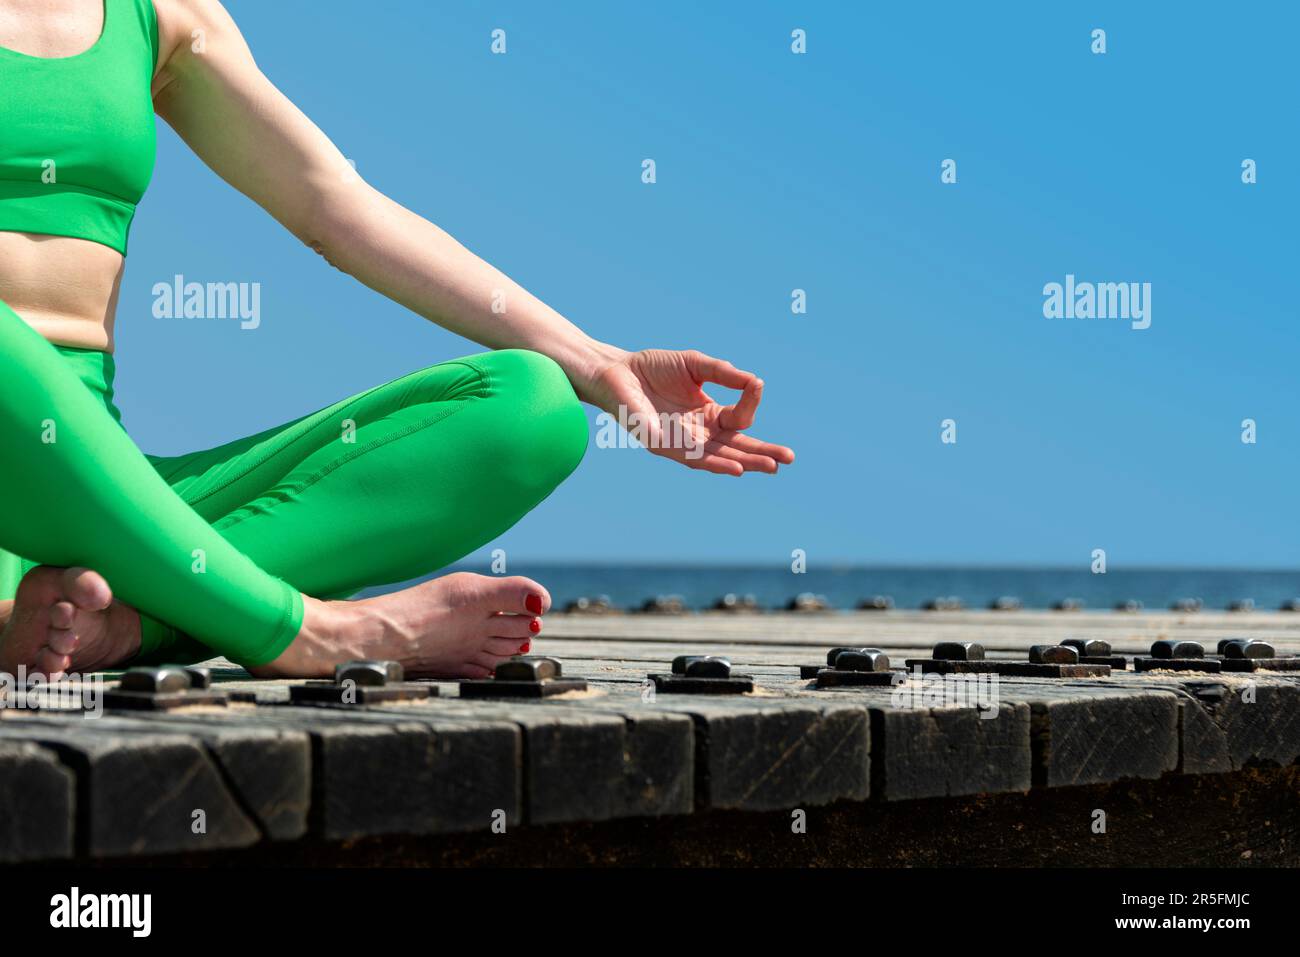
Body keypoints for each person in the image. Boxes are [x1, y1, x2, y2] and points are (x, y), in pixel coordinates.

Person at [0, 0, 793, 678]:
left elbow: (335, 206)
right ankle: (313, 630)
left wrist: (595, 362)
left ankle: (125, 623)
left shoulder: (157, 13)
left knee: (532, 407)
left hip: (104, 491)